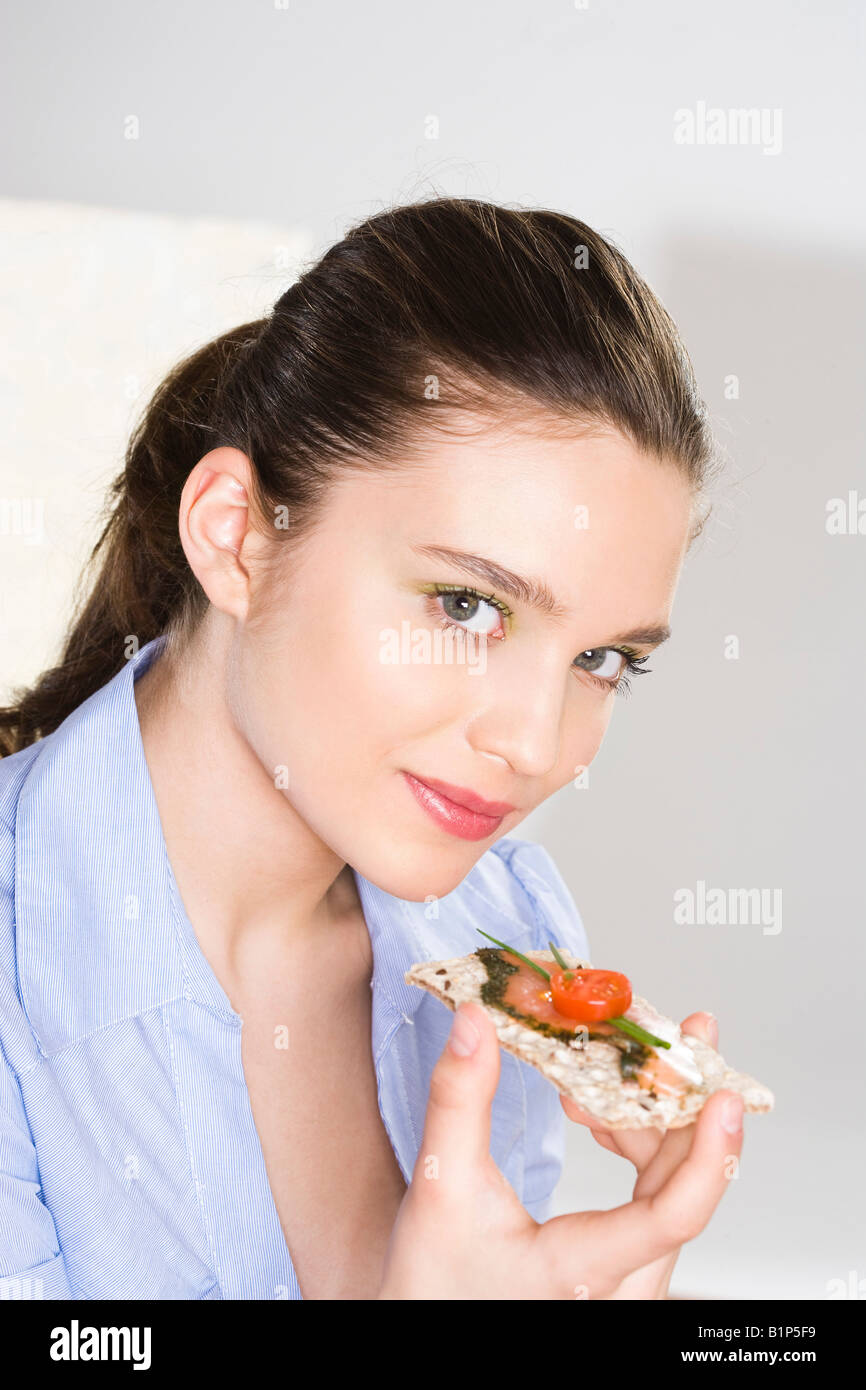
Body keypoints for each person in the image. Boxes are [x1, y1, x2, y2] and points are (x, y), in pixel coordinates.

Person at [0, 196, 742, 1301]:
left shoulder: (509, 943)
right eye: (464, 604)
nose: (536, 746)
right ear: (236, 536)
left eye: (602, 660)